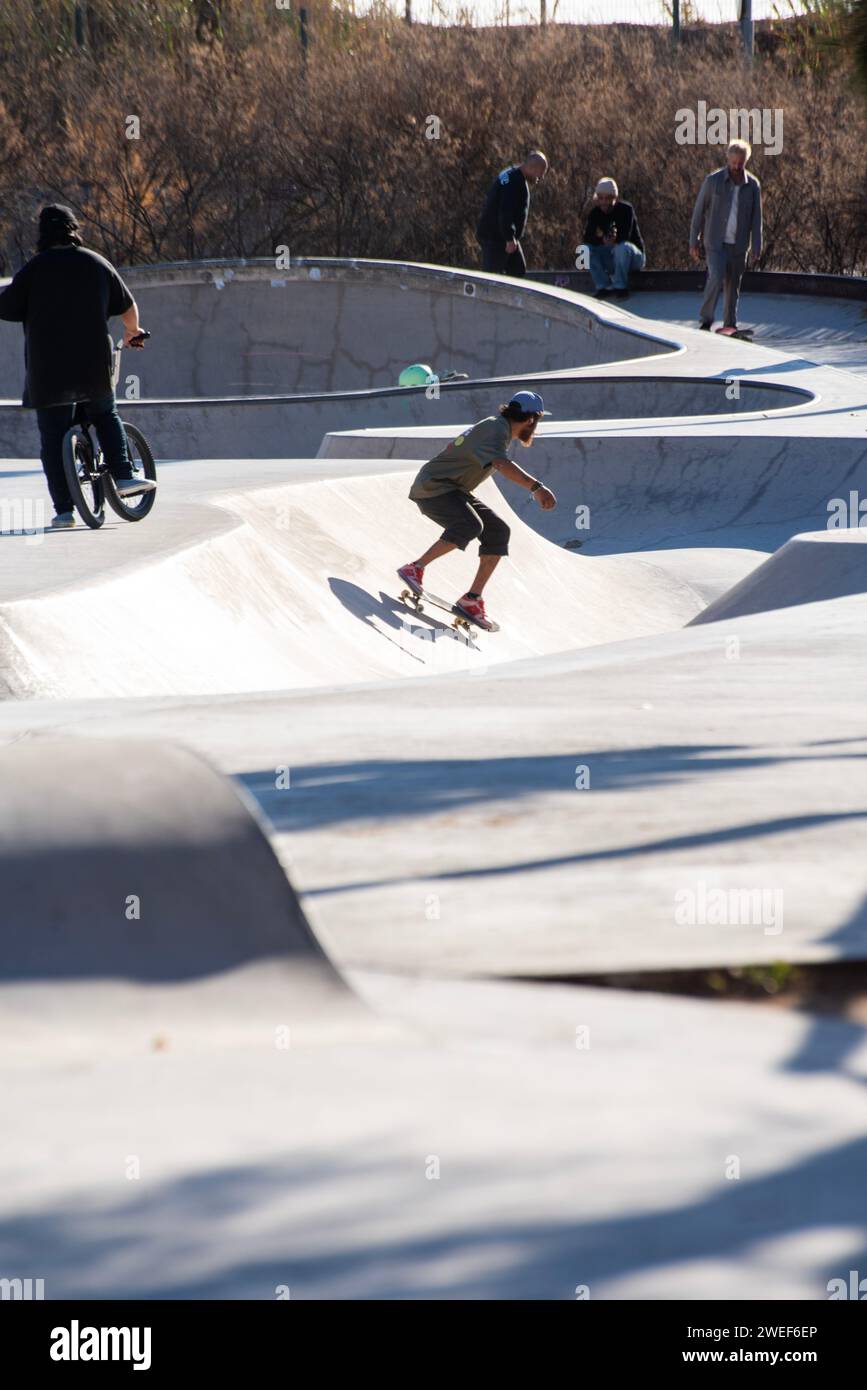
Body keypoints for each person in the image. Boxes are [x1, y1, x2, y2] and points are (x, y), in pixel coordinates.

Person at [0, 204, 154, 529]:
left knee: (53, 440)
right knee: (104, 414)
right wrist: (132, 333)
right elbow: (127, 306)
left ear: (43, 234)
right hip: (93, 367)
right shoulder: (96, 263)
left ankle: (64, 512)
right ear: (74, 229)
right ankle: (124, 477)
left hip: (48, 372)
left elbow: (8, 306)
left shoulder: (32, 271)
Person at [397, 391, 557, 627]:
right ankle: (414, 568)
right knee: (470, 525)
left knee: (498, 531)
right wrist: (536, 487)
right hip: (433, 488)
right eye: (537, 422)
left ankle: (472, 599)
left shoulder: (497, 429)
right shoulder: (496, 429)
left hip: (450, 489)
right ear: (531, 419)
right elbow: (502, 464)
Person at [689, 139, 762, 332]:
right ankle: (706, 319)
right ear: (727, 160)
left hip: (738, 244)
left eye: (741, 163)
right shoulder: (713, 181)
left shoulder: (753, 185)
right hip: (715, 241)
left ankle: (730, 323)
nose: (736, 167)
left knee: (733, 284)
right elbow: (698, 211)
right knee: (717, 275)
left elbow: (756, 218)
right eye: (733, 162)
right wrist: (693, 240)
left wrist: (756, 244)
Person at [476, 151, 549, 277]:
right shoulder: (514, 182)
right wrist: (509, 238)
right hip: (496, 237)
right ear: (532, 168)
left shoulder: (510, 174)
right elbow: (505, 210)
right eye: (539, 174)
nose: (540, 178)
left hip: (502, 235)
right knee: (492, 277)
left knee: (517, 269)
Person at [580, 178, 645, 300]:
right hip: (612, 255)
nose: (604, 202)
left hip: (632, 257)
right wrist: (602, 241)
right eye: (601, 198)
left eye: (608, 198)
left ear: (614, 197)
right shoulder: (595, 213)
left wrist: (615, 240)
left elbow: (626, 235)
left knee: (622, 247)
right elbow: (587, 237)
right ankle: (603, 286)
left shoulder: (626, 209)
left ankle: (621, 286)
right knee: (584, 249)